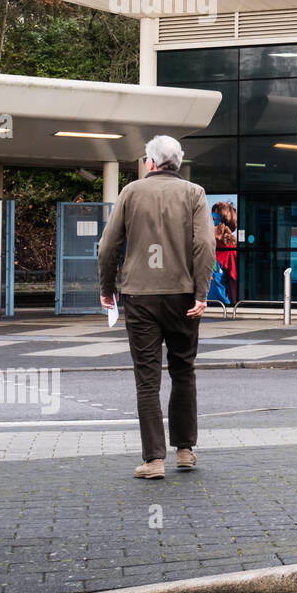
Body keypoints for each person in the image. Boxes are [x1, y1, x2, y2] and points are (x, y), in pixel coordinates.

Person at [98, 135, 215, 480]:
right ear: (177, 162)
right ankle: (185, 450)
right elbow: (205, 244)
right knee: (183, 370)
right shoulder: (195, 193)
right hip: (183, 297)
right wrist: (201, 293)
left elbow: (108, 247)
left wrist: (108, 290)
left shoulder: (131, 192)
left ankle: (154, 459)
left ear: (151, 162)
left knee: (147, 379)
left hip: (140, 298)